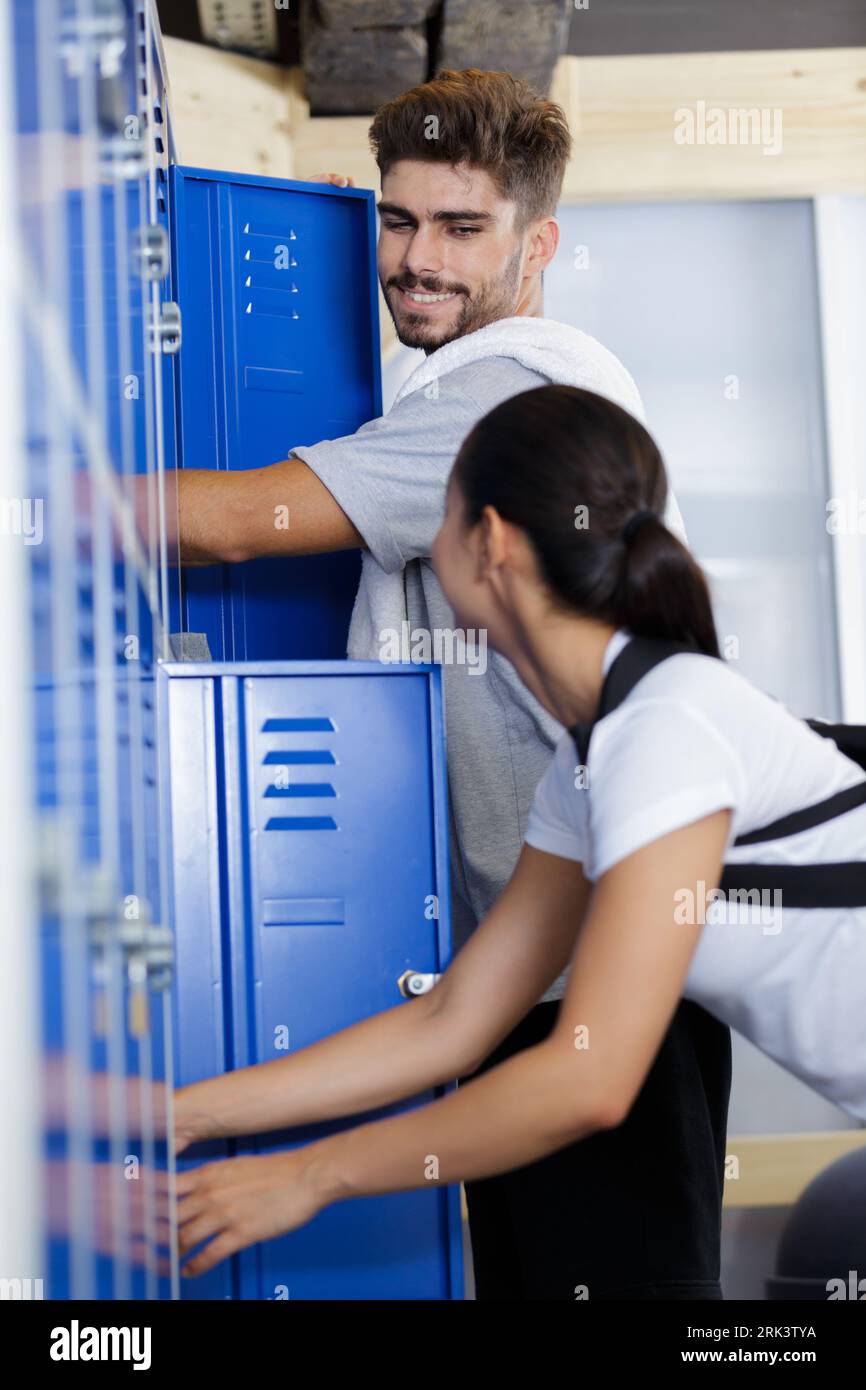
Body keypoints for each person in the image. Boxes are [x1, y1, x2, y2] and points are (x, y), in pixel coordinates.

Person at [172, 69, 732, 1300]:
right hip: (539, 962)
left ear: (537, 246)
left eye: (460, 228)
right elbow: (451, 1024)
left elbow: (230, 525)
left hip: (612, 993)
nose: (415, 259)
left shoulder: (505, 404)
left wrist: (39, 501)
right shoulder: (460, 394)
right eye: (396, 220)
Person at [173, 385, 866, 1290]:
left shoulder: (667, 728)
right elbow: (452, 1020)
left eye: (441, 517)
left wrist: (309, 1175)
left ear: (488, 544)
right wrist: (179, 1112)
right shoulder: (588, 766)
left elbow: (589, 1080)